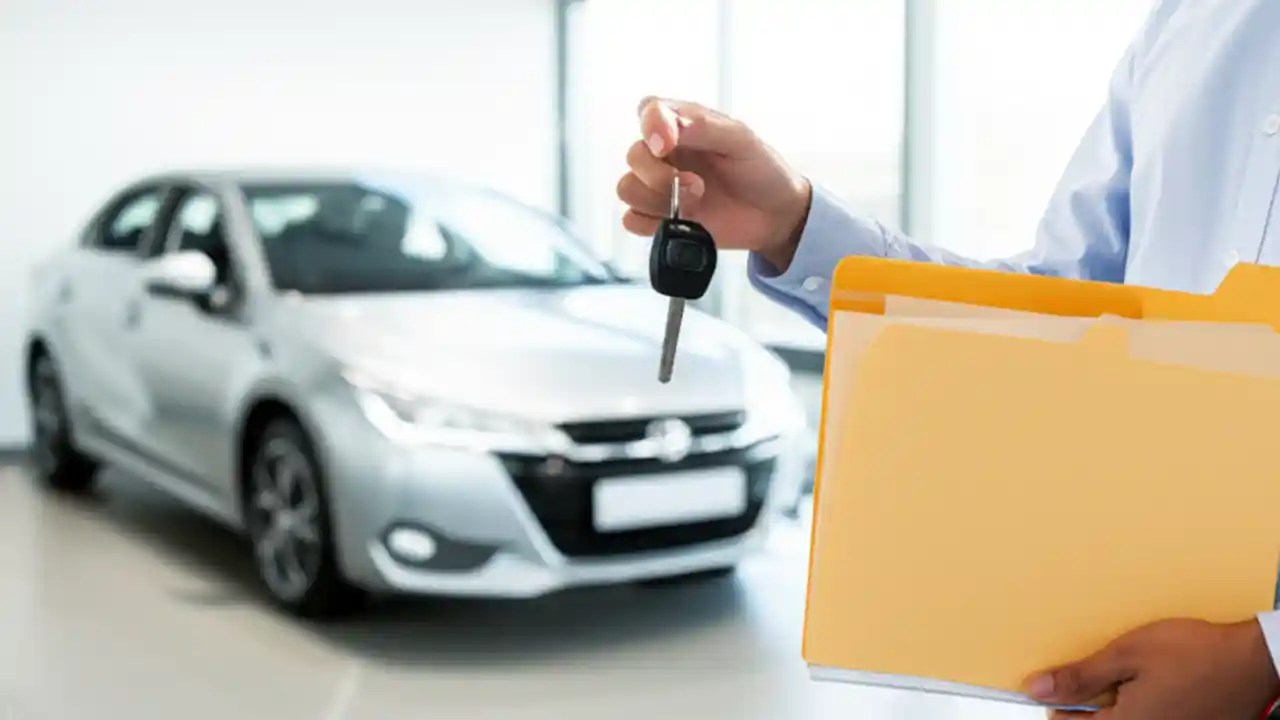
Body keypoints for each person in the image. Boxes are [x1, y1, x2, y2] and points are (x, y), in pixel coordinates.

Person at [616, 0, 1280, 718]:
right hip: (1133, 662)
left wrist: (1267, 654)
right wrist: (794, 224)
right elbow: (1062, 316)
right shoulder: (1190, 22)